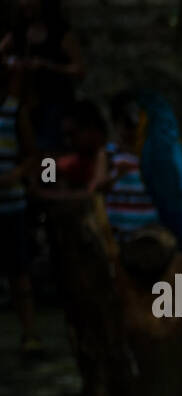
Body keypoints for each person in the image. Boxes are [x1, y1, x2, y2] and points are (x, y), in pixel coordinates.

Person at [0, 0, 83, 154]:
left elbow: (78, 69)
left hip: (54, 103)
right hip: (25, 104)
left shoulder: (59, 32)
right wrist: (11, 63)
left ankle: (49, 178)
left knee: (49, 152)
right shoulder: (18, 32)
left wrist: (48, 66)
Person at [0, 53, 39, 355]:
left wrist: (17, 174)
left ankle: (29, 333)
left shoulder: (13, 113)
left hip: (11, 206)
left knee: (19, 272)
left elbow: (33, 157)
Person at [103, 91, 158, 238]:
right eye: (128, 125)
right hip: (116, 238)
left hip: (150, 239)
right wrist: (114, 176)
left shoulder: (156, 157)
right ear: (115, 123)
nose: (134, 131)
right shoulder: (107, 155)